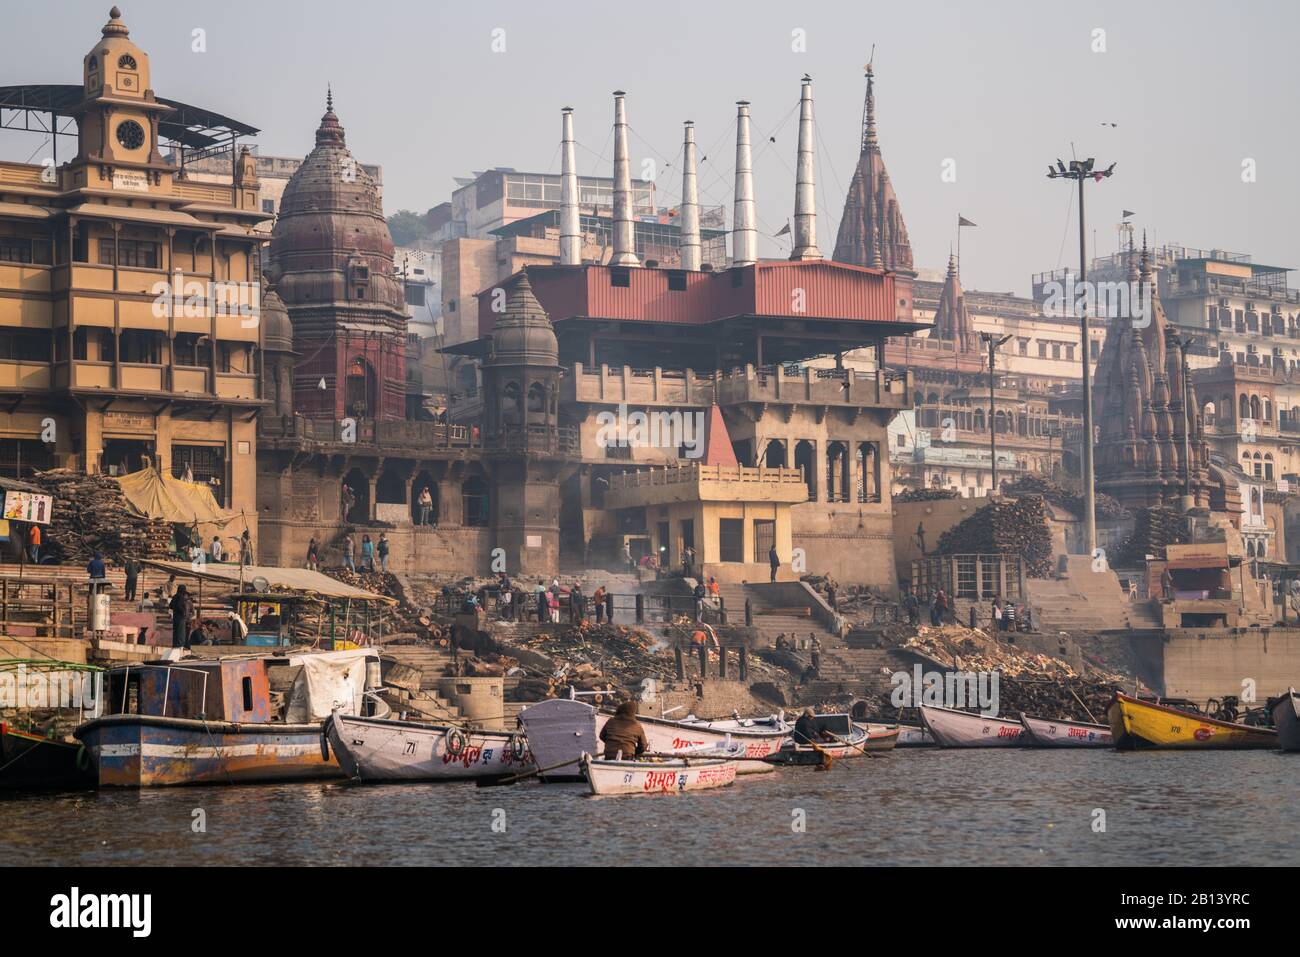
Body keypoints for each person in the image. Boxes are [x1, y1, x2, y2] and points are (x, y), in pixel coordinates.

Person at [169, 584, 191, 649]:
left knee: (176, 631)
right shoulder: (181, 596)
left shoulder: (175, 596)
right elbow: (179, 605)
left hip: (175, 617)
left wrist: (176, 609)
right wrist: (183, 612)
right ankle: (180, 645)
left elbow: (170, 606)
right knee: (181, 632)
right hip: (180, 617)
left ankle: (175, 644)